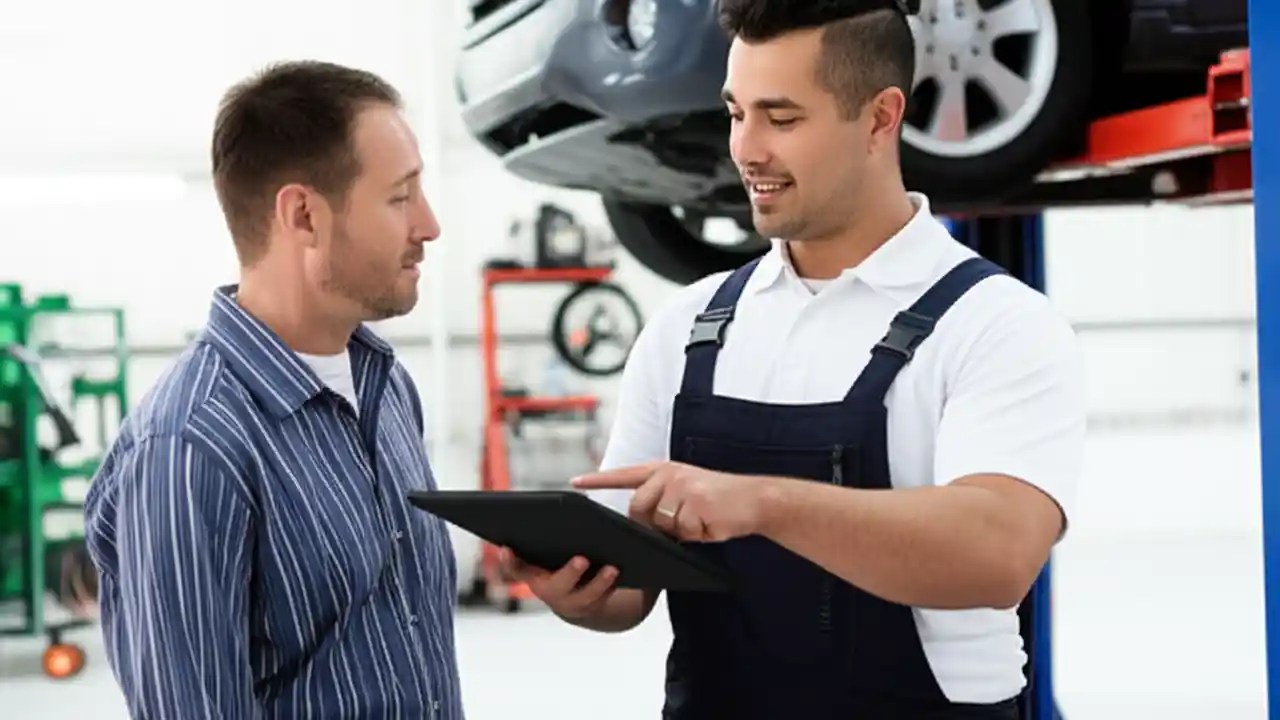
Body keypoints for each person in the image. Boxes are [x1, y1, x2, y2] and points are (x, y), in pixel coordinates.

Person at [501, 1, 1085, 718]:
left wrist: (763, 503)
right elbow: (627, 592)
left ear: (880, 117)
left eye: (782, 119)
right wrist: (581, 592)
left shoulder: (995, 323)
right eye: (735, 113)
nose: (746, 150)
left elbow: (995, 555)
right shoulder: (688, 328)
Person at [83, 61, 464, 719]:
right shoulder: (191, 446)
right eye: (400, 197)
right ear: (304, 216)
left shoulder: (387, 388)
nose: (428, 225)